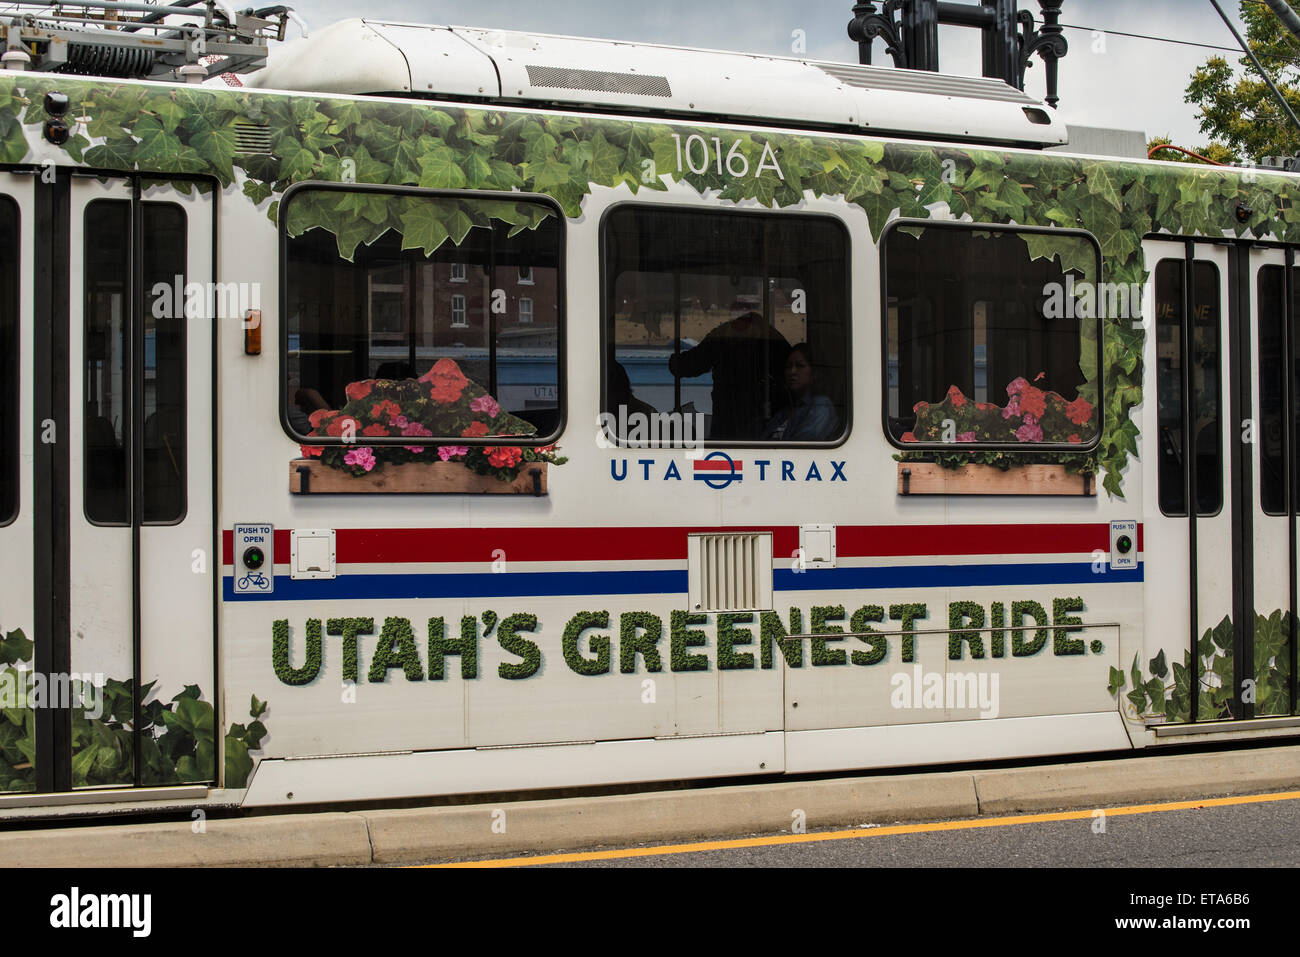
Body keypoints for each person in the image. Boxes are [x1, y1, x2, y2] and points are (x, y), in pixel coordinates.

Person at [668, 298, 789, 440]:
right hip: (729, 417)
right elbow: (692, 364)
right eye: (735, 317)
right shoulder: (722, 337)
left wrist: (676, 363)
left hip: (759, 419)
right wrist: (677, 363)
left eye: (743, 317)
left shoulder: (767, 340)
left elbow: (788, 372)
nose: (739, 322)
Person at [763, 344, 839, 441]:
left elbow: (803, 444)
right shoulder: (785, 411)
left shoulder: (821, 405)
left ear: (815, 373)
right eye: (788, 366)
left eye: (800, 366)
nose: (792, 371)